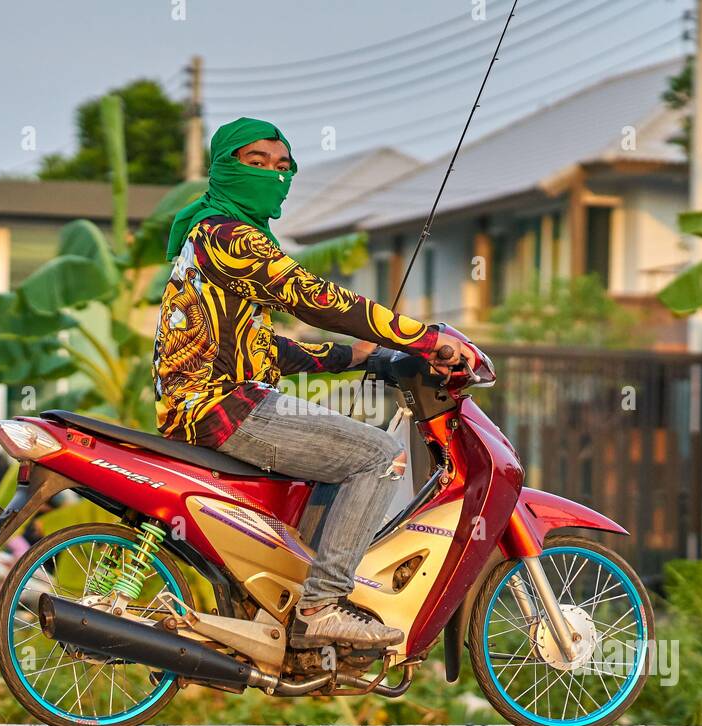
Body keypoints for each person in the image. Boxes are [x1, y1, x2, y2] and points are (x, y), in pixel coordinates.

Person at [153, 117, 474, 650]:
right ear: (222, 168)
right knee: (377, 455)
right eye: (255, 163)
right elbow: (316, 300)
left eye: (282, 167)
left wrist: (366, 358)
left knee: (341, 459)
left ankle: (292, 594)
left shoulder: (211, 235)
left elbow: (266, 349)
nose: (271, 176)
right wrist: (423, 338)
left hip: (218, 401)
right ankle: (322, 606)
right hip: (227, 408)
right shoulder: (229, 237)